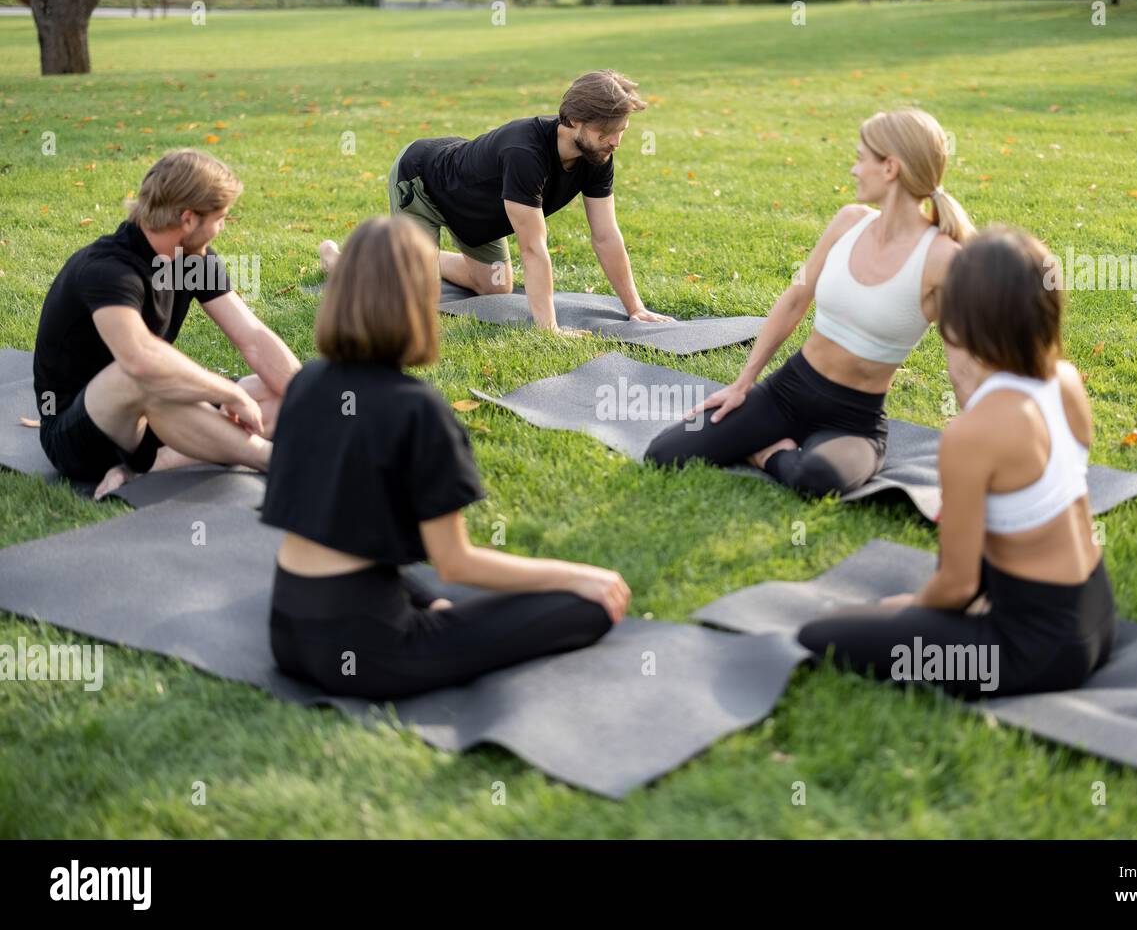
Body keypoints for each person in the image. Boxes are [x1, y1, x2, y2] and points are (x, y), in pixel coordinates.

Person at [261, 216, 629, 699]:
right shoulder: (415, 409)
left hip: (286, 632)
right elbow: (455, 564)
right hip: (371, 651)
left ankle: (427, 606)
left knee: (415, 582)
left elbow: (330, 519)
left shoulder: (308, 381)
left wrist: (429, 598)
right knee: (588, 607)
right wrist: (582, 575)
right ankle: (443, 615)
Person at [798, 228, 1116, 699]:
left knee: (820, 637)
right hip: (1096, 611)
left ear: (965, 321)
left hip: (1033, 651)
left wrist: (914, 609)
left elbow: (957, 585)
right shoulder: (1066, 381)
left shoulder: (972, 434)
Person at [644, 108, 972, 498]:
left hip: (854, 420)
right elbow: (794, 299)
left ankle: (766, 454)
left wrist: (977, 445)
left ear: (890, 168)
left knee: (818, 480)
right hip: (787, 391)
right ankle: (771, 441)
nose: (853, 170)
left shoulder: (944, 260)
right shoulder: (849, 221)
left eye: (860, 158)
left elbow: (962, 364)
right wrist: (743, 383)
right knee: (666, 453)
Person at [319, 69, 673, 338]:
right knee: (418, 305)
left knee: (497, 286)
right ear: (573, 120)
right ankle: (345, 260)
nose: (615, 142)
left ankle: (414, 256)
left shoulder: (597, 157)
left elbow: (606, 236)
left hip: (476, 209)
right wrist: (550, 329)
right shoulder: (525, 154)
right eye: (606, 133)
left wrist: (635, 308)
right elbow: (533, 248)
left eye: (621, 130)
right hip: (423, 183)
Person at [32, 148, 300, 499]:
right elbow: (140, 359)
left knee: (286, 393)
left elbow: (251, 336)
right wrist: (230, 393)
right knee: (145, 373)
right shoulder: (109, 270)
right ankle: (273, 460)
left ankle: (154, 464)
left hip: (158, 413)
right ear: (188, 219)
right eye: (219, 218)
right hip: (83, 431)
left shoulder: (192, 259)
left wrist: (312, 398)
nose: (221, 228)